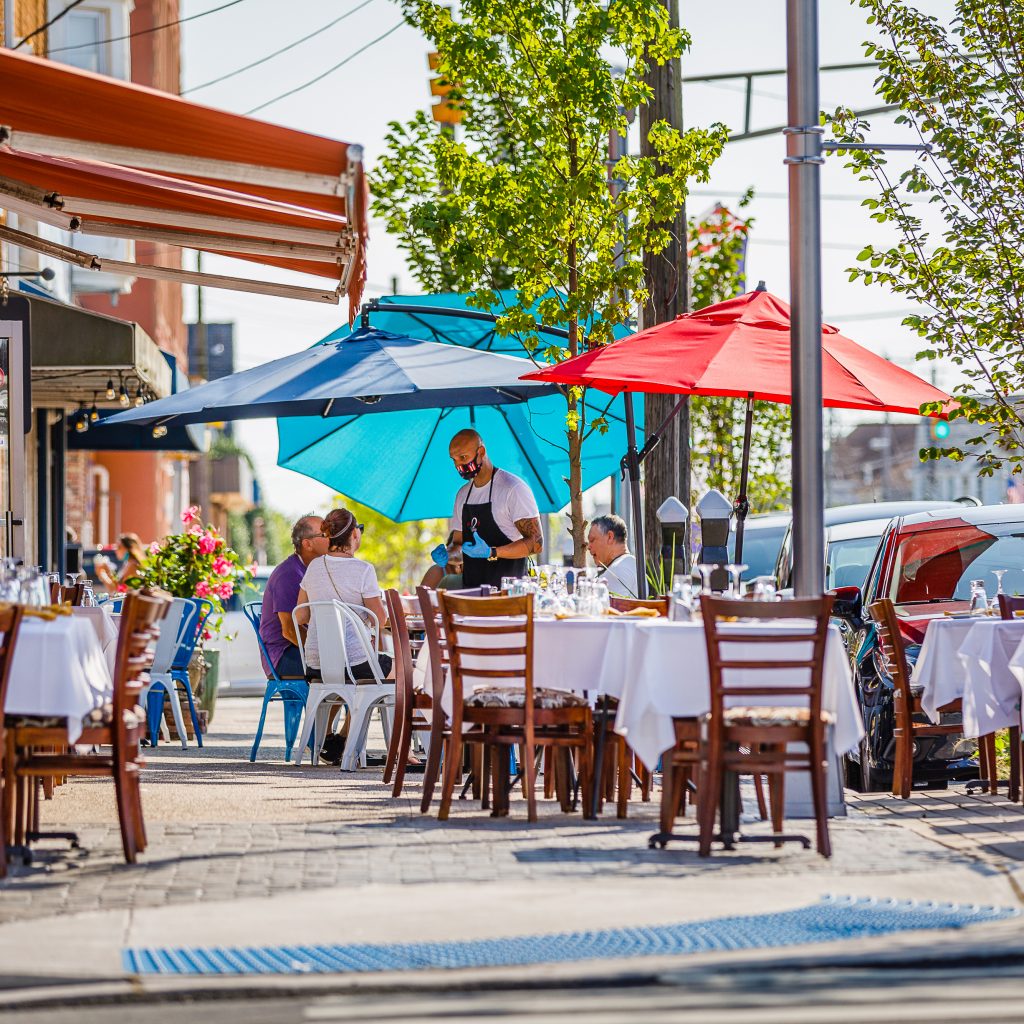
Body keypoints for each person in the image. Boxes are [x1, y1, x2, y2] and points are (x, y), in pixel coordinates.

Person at [431, 429, 543, 589]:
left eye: (463, 457)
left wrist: (492, 552)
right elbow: (458, 547)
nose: (458, 465)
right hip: (471, 594)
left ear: (481, 452)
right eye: (454, 460)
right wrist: (448, 555)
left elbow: (537, 543)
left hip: (509, 595)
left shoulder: (512, 488)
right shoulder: (462, 495)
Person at [292, 507, 393, 682]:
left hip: (316, 665)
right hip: (356, 664)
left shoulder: (313, 567)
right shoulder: (364, 570)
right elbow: (380, 620)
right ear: (354, 533)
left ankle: (350, 703)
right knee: (406, 671)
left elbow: (300, 616)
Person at [260, 514, 328, 679]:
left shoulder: (309, 569)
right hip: (283, 655)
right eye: (325, 534)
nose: (332, 539)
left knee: (346, 664)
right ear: (307, 544)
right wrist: (322, 651)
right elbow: (290, 630)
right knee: (341, 667)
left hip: (296, 649)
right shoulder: (289, 574)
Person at [587, 514, 638, 598]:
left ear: (610, 537)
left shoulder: (618, 569)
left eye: (592, 540)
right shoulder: (631, 562)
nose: (588, 547)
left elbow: (601, 606)